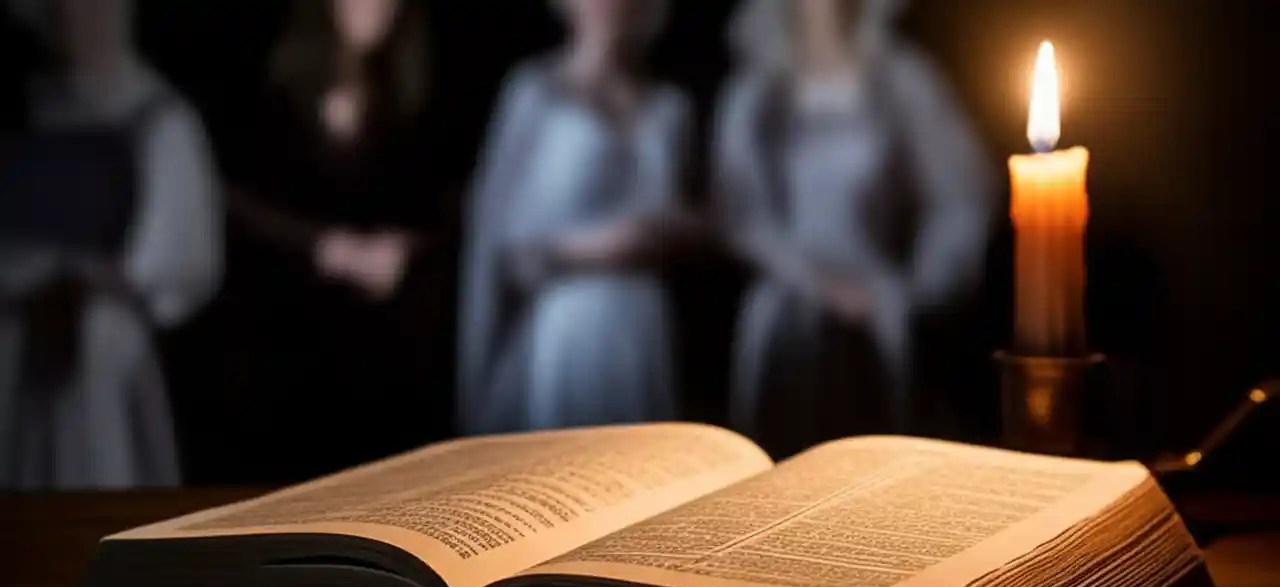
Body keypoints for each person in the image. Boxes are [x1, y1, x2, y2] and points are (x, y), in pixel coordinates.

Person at [716, 0, 994, 457]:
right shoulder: (759, 90)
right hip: (784, 319)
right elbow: (740, 209)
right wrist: (815, 283)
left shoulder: (900, 80)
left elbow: (961, 191)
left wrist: (908, 290)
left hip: (874, 317)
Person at [221, 0, 451, 480]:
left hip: (387, 338)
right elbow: (234, 199)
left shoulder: (421, 94)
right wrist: (321, 246)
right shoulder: (274, 89)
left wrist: (402, 250)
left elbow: (451, 204)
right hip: (285, 327)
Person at [0, 0, 221, 490]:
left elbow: (178, 261)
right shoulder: (25, 115)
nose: (77, 19)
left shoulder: (155, 119)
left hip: (103, 363)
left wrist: (91, 287)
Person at [458, 0, 691, 433]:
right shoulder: (535, 92)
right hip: (565, 318)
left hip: (640, 318)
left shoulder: (669, 106)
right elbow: (500, 237)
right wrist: (599, 244)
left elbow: (675, 215)